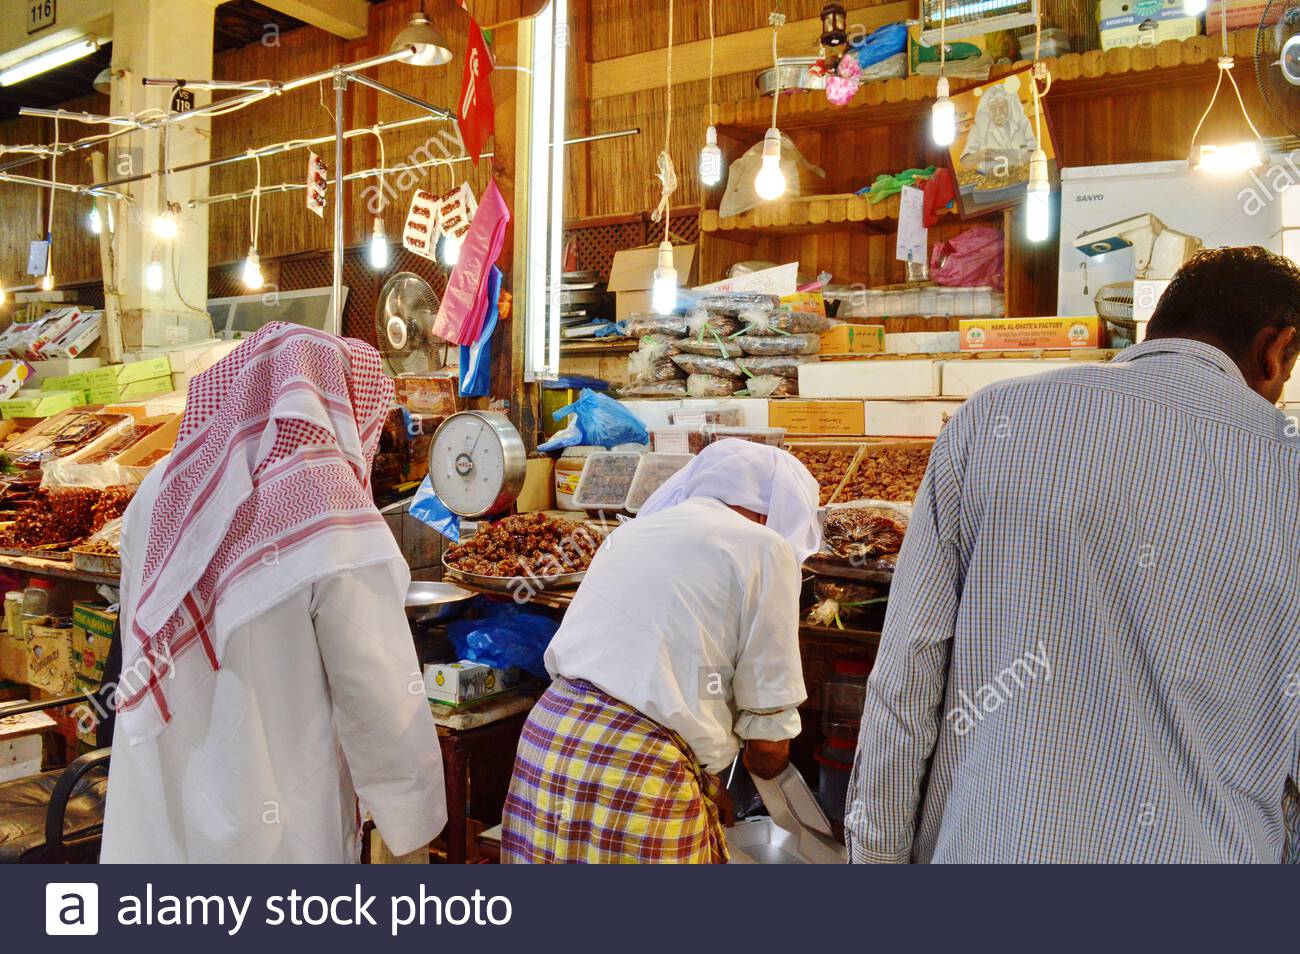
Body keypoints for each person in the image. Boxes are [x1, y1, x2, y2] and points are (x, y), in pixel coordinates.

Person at [847, 246, 1300, 864]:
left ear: (1155, 326)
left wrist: (874, 861)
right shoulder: (1287, 470)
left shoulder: (992, 419)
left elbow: (908, 672)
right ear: (1275, 349)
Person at [101, 322, 445, 863]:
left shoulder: (159, 490)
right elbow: (379, 695)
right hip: (279, 827)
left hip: (161, 809)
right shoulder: (331, 506)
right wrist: (409, 830)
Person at [501, 440, 821, 864]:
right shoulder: (766, 548)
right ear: (773, 511)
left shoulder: (633, 530)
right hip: (637, 774)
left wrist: (708, 785)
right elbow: (768, 738)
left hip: (549, 741)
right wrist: (776, 777)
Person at [959, 81, 1037, 175]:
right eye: (992, 108)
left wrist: (1018, 164)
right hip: (992, 183)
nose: (998, 112)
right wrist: (981, 154)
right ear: (987, 110)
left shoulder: (1022, 123)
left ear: (1010, 106)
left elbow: (1034, 150)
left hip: (1024, 177)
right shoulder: (978, 129)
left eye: (1002, 106)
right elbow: (965, 162)